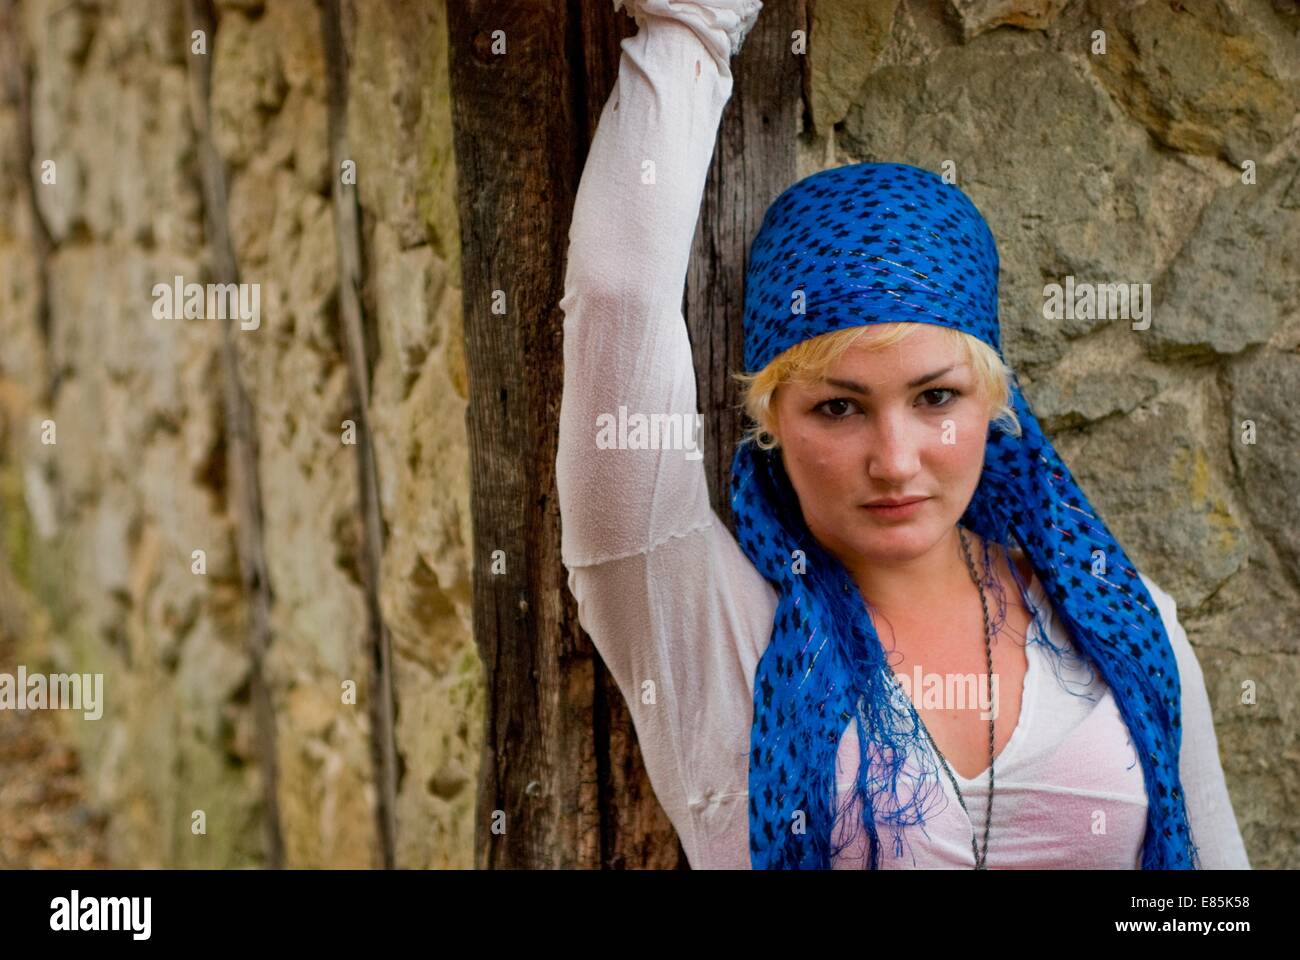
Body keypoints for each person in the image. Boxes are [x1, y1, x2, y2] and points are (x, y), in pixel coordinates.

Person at [556, 0, 1250, 869]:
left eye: (935, 398)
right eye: (837, 407)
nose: (895, 461)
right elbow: (619, 301)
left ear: (996, 403)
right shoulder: (707, 626)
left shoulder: (1125, 624)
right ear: (771, 421)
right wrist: (690, 26)